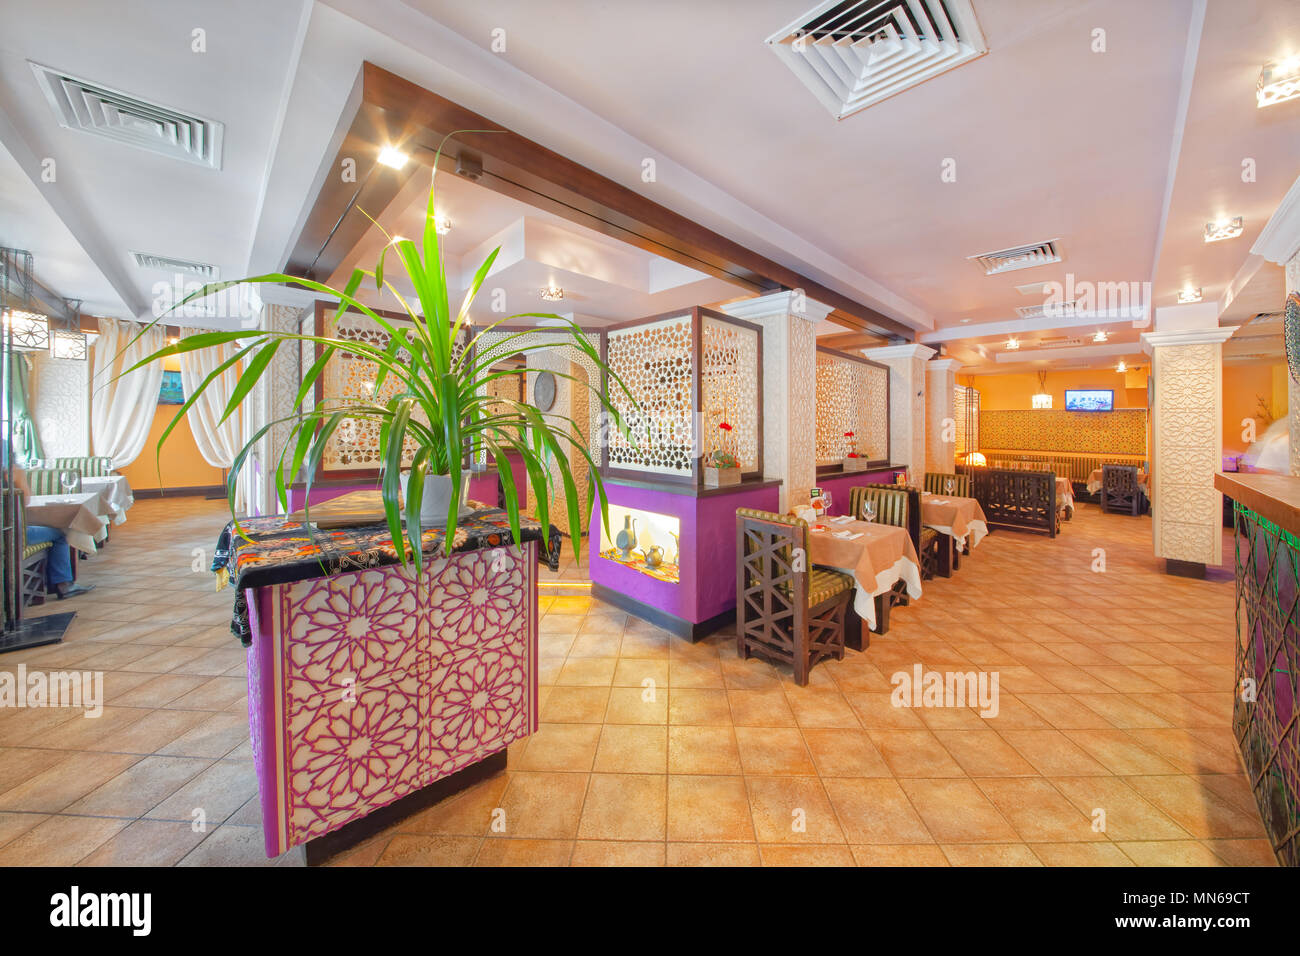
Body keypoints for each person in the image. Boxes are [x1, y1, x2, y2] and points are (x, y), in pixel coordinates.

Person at [13, 467, 94, 600]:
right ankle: (63, 584)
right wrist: (20, 477)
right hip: (12, 537)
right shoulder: (12, 472)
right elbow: (25, 501)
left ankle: (42, 582)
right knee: (59, 535)